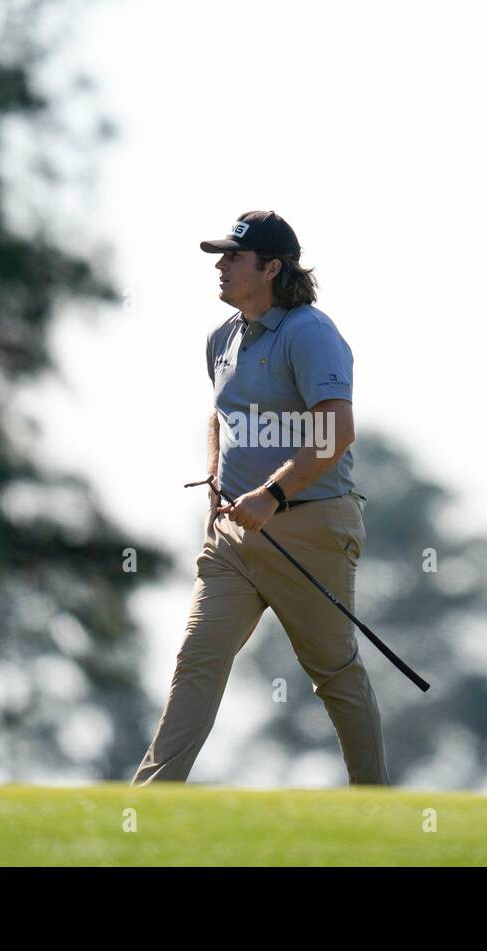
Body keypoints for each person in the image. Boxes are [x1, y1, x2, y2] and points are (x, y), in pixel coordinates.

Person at [129, 210, 390, 788]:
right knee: (198, 660)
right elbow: (222, 416)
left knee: (335, 674)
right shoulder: (221, 338)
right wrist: (216, 479)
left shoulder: (310, 333)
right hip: (233, 537)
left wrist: (272, 493)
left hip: (312, 527)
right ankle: (149, 803)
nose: (219, 268)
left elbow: (336, 431)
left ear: (271, 268)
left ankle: (376, 804)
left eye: (232, 258)